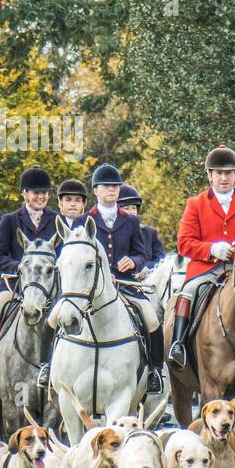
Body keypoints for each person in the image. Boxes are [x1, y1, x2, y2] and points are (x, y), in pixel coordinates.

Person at [167, 146, 235, 369]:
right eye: (219, 173)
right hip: (205, 269)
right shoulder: (195, 204)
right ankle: (178, 345)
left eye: (229, 173)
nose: (224, 177)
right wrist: (211, 249)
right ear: (210, 175)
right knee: (188, 292)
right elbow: (184, 243)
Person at [75, 162, 164, 395]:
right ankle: (48, 365)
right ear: (95, 190)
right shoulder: (82, 221)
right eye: (105, 186)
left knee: (151, 319)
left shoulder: (131, 221)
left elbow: (142, 253)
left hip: (125, 285)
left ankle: (155, 371)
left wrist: (134, 262)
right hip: (90, 289)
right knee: (56, 317)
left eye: (115, 186)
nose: (111, 190)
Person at [0, 166, 58, 388]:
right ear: (24, 194)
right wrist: (21, 267)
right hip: (13, 286)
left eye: (44, 192)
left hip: (48, 287)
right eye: (35, 192)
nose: (40, 196)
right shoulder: (10, 220)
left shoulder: (56, 220)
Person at [117, 183, 167, 275]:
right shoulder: (109, 234)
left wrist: (147, 268)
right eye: (126, 208)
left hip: (147, 284)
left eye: (134, 208)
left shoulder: (150, 234)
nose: (132, 212)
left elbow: (161, 260)